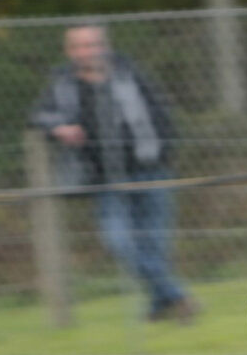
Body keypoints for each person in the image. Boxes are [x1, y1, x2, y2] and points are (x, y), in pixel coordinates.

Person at [29, 25, 197, 321]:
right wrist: (59, 127)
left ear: (105, 47)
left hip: (150, 171)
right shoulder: (62, 84)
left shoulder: (130, 75)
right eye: (80, 47)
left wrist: (165, 151)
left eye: (93, 45)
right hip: (105, 180)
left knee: (154, 245)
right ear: (70, 52)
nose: (88, 52)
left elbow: (161, 112)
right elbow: (39, 115)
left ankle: (162, 305)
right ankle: (175, 296)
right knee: (120, 242)